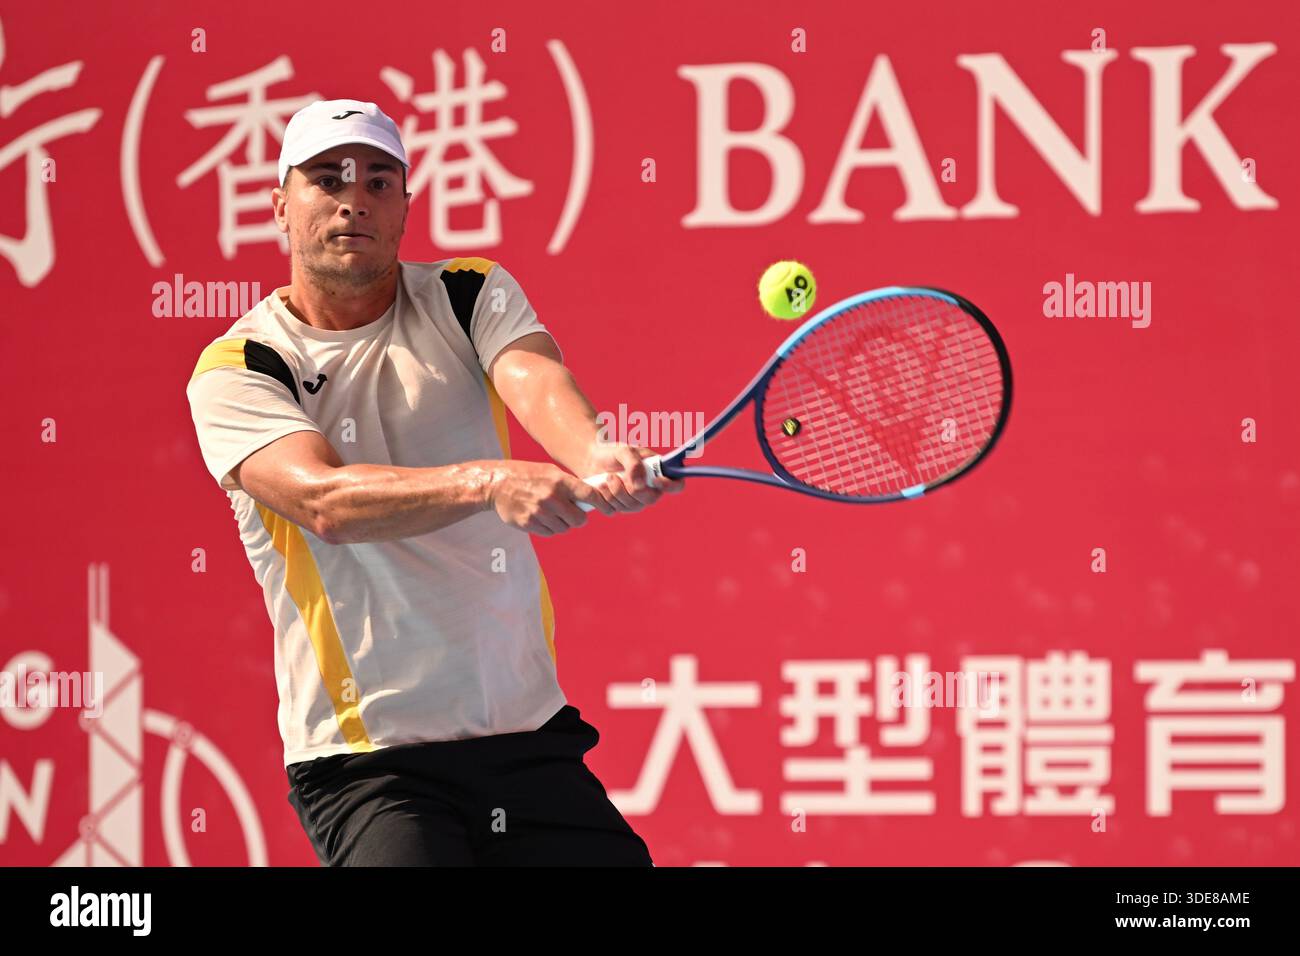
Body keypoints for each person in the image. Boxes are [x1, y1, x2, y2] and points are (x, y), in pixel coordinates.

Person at [185, 99, 683, 865]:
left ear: (407, 207)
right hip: (369, 764)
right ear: (281, 205)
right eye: (327, 178)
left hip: (524, 737)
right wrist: (488, 481)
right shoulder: (241, 366)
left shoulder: (467, 292)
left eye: (380, 181)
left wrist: (594, 452)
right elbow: (325, 501)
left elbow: (535, 380)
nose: (355, 198)